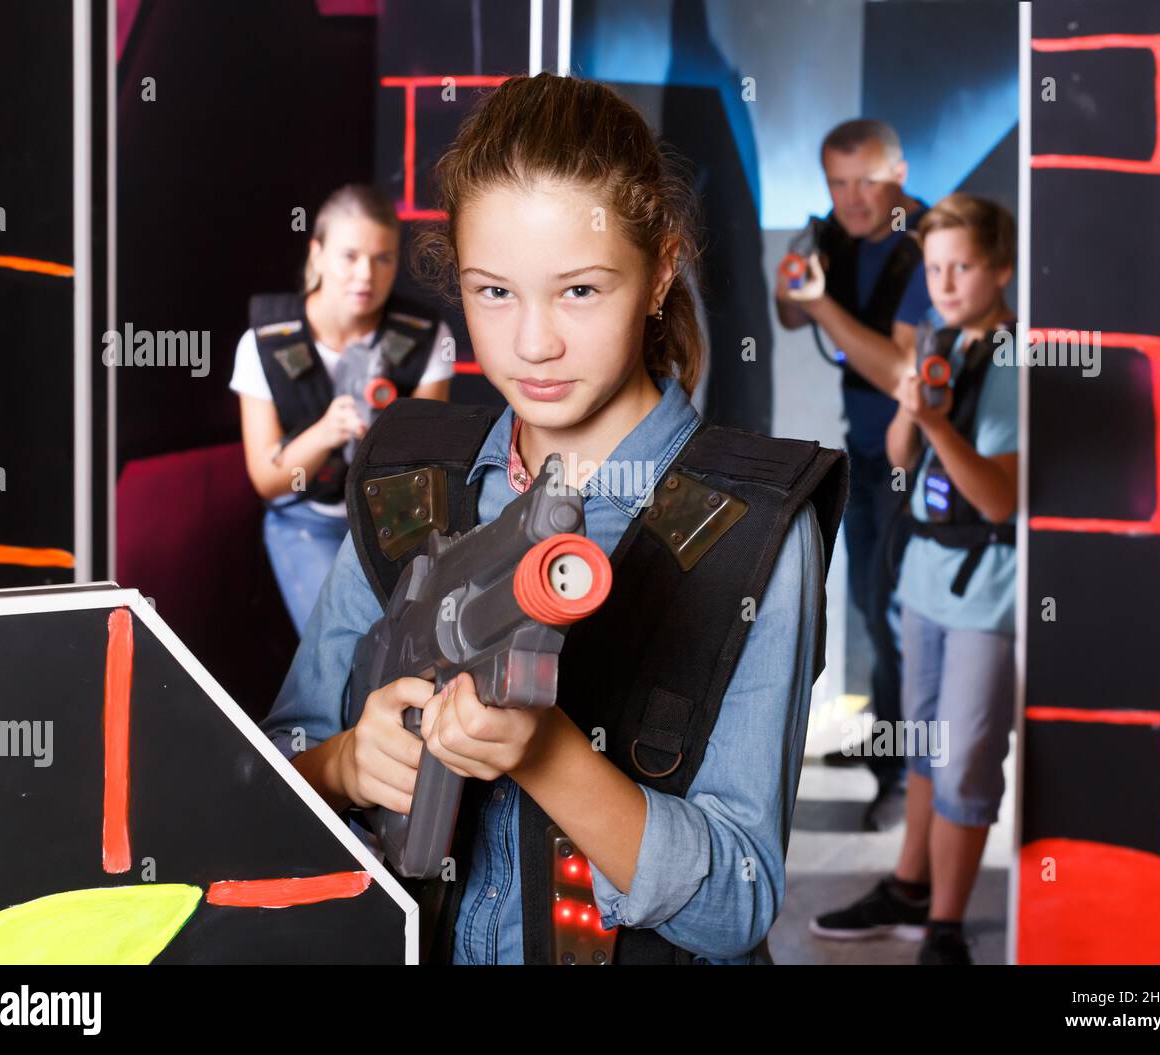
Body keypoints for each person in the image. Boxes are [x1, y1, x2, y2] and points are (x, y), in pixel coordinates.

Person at [259, 72, 848, 964]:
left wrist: (548, 755)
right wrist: (346, 763)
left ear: (658, 273)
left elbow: (738, 903)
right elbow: (276, 764)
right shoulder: (408, 476)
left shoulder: (752, 529)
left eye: (579, 291)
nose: (533, 342)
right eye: (494, 291)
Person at [809, 193, 1017, 965]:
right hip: (925, 575)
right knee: (928, 744)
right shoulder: (945, 343)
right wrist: (911, 408)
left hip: (984, 586)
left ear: (1001, 268)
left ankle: (947, 927)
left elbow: (1000, 495)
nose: (947, 281)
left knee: (964, 757)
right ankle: (908, 884)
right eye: (935, 268)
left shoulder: (1014, 356)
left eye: (963, 266)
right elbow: (902, 458)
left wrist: (931, 422)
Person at [775, 119, 932, 828]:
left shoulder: (932, 245)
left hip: (922, 457)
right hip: (865, 454)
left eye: (868, 180)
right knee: (873, 607)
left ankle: (902, 773)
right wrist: (793, 287)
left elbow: (901, 370)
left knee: (899, 615)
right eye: (838, 182)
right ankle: (887, 743)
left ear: (900, 170)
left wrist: (818, 304)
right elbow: (786, 316)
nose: (853, 198)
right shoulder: (836, 234)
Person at [229, 185, 455, 635]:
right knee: (342, 645)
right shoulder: (265, 342)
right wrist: (328, 432)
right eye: (349, 256)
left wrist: (388, 437)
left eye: (382, 258)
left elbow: (426, 466)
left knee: (413, 640)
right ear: (317, 254)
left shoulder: (427, 337)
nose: (365, 275)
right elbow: (269, 482)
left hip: (393, 522)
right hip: (306, 519)